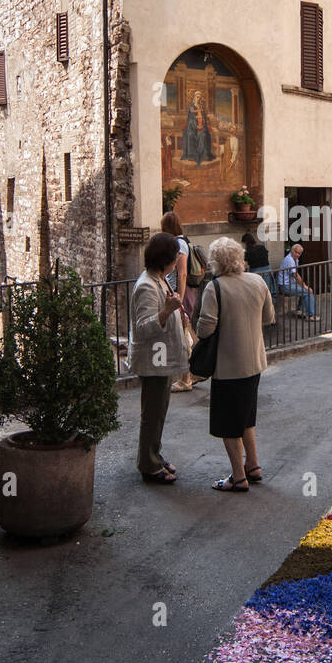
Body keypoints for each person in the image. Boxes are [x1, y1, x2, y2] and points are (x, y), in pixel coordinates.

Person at [195, 236, 275, 492]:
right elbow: (269, 317)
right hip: (254, 361)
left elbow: (206, 328)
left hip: (228, 365)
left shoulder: (215, 287)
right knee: (246, 417)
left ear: (215, 262)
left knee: (228, 423)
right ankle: (253, 465)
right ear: (240, 257)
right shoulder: (257, 281)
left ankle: (238, 477)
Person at [127, 232, 188, 483]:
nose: (177, 261)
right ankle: (148, 464)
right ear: (165, 260)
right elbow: (142, 328)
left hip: (161, 360)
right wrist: (167, 311)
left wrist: (175, 314)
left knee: (158, 411)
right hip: (153, 361)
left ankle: (154, 454)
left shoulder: (159, 279)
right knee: (152, 414)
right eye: (174, 257)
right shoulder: (146, 286)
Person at [161, 209, 196, 392]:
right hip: (180, 293)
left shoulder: (179, 244)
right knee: (184, 334)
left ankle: (186, 379)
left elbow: (182, 273)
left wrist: (179, 300)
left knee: (182, 335)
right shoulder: (181, 241)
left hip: (181, 294)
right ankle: (190, 374)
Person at [278, 243, 319, 319]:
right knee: (308, 292)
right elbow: (295, 275)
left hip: (289, 284)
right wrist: (305, 286)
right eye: (295, 252)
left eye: (299, 253)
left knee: (304, 291)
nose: (297, 254)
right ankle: (311, 315)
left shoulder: (295, 259)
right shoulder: (290, 260)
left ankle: (299, 310)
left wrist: (303, 286)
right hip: (285, 285)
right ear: (291, 251)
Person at [241, 231, 277, 297]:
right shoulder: (262, 247)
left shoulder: (248, 252)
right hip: (267, 273)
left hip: (257, 275)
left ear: (245, 242)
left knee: (259, 295)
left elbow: (244, 266)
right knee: (268, 293)